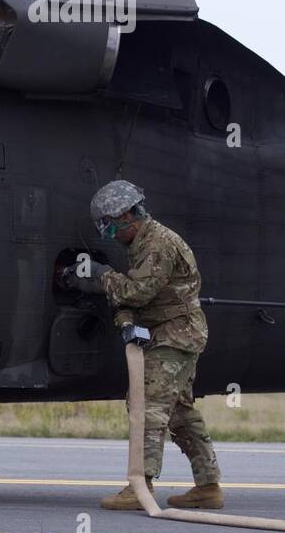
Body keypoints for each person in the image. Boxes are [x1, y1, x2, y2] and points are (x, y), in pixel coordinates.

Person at [73, 179, 223, 511]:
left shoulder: (157, 245)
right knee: (180, 412)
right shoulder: (143, 243)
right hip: (173, 332)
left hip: (176, 334)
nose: (110, 235)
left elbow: (138, 293)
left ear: (127, 215)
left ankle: (140, 486)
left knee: (147, 404)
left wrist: (101, 277)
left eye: (111, 227)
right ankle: (208, 486)